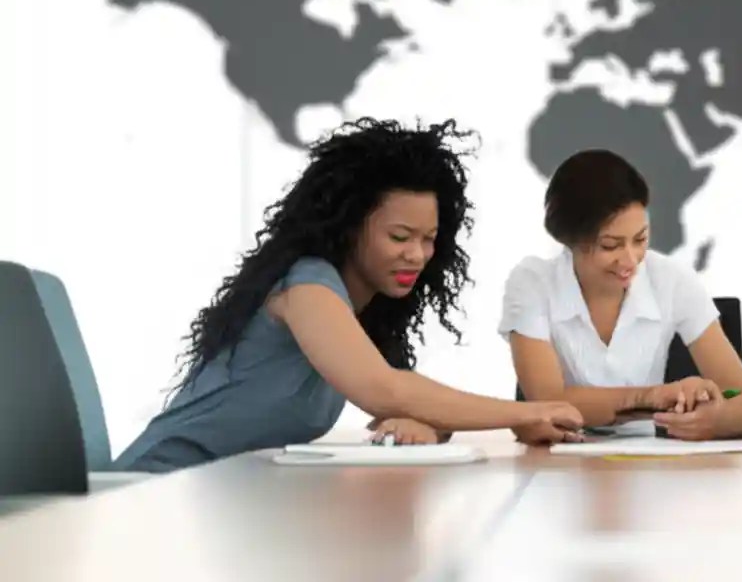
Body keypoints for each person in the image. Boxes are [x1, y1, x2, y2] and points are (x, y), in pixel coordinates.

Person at [114, 118, 583, 472]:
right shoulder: (307, 286)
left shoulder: (361, 313)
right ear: (348, 226)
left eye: (428, 238)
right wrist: (529, 411)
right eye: (399, 236)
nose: (417, 255)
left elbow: (406, 400)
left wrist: (418, 423)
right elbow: (387, 390)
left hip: (222, 502)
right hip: (156, 492)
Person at [500, 149, 742, 441]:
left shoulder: (672, 279)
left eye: (640, 240)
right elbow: (546, 404)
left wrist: (717, 419)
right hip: (557, 461)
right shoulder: (532, 282)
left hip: (646, 460)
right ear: (570, 239)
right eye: (611, 245)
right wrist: (651, 397)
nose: (630, 260)